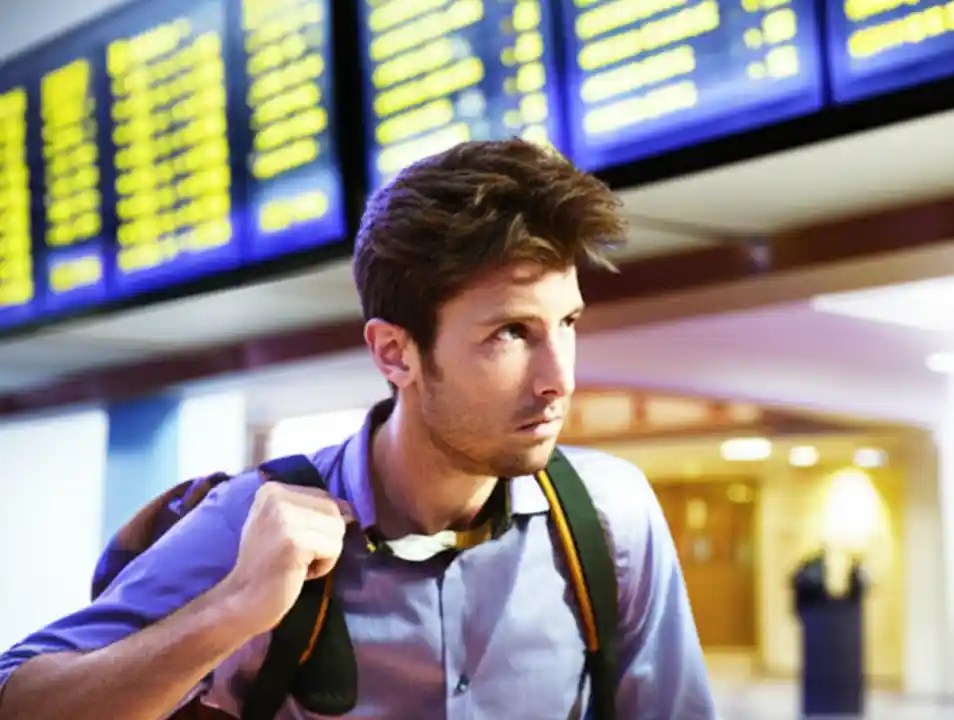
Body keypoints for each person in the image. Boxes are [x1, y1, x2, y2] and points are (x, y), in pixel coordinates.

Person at [0, 140, 717, 719]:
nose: (557, 376)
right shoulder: (252, 523)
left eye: (567, 322)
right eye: (509, 333)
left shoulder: (609, 514)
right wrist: (233, 608)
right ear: (394, 352)